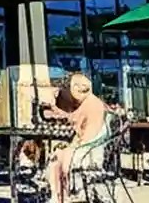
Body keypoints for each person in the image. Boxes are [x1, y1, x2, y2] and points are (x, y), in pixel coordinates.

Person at [44, 73, 110, 203]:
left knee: (56, 159)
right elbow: (73, 118)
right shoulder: (90, 101)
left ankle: (60, 197)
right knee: (58, 156)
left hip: (89, 153)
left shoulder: (91, 104)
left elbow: (87, 135)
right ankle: (61, 195)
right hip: (90, 149)